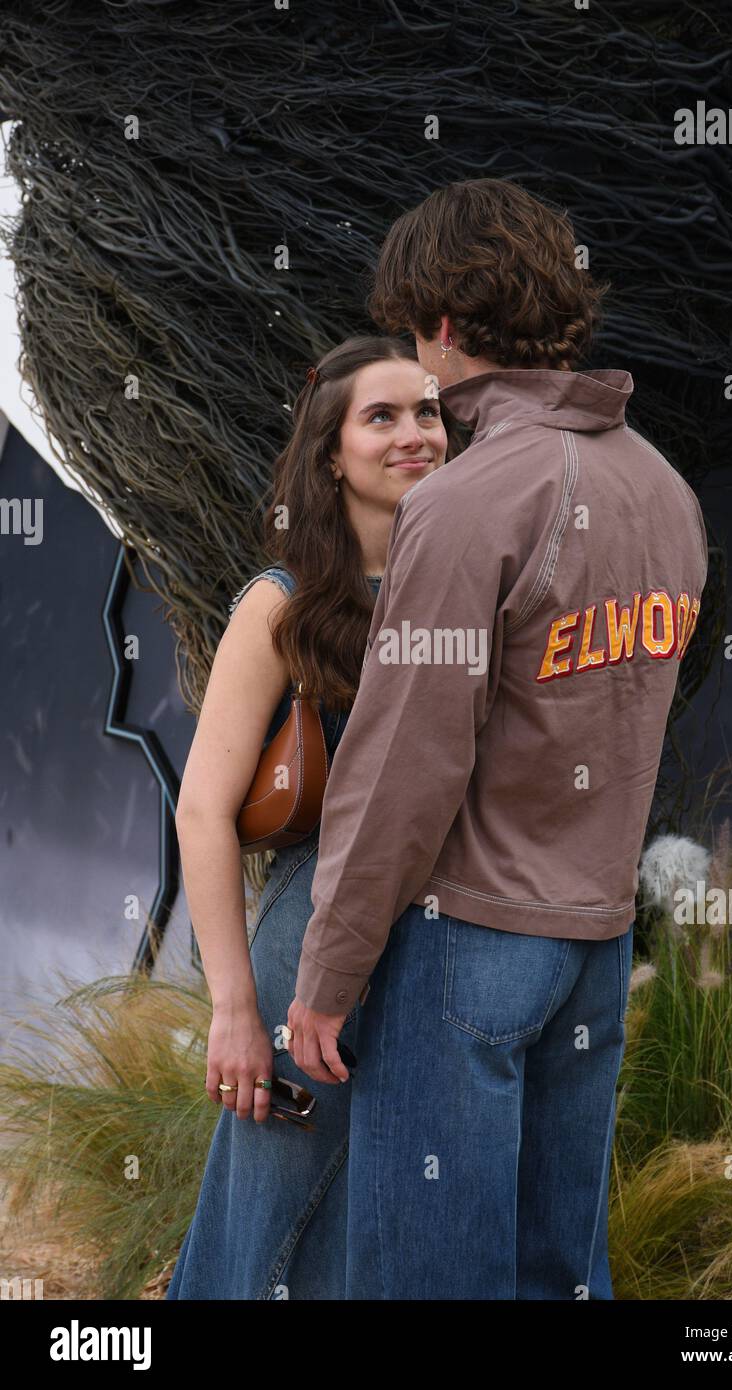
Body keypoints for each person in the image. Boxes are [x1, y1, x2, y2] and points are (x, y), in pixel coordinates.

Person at [283, 178, 709, 1300]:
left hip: (461, 941)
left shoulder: (467, 501)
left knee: (432, 1280)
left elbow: (400, 768)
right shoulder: (665, 493)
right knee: (560, 1275)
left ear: (447, 329)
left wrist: (326, 973)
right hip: (593, 944)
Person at [165, 334, 450, 1298]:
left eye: (428, 412)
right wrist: (234, 1010)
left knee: (384, 1235)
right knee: (274, 1224)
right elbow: (202, 810)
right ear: (331, 453)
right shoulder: (282, 607)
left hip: (443, 950)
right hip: (309, 940)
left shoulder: (473, 588)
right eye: (383, 416)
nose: (414, 433)